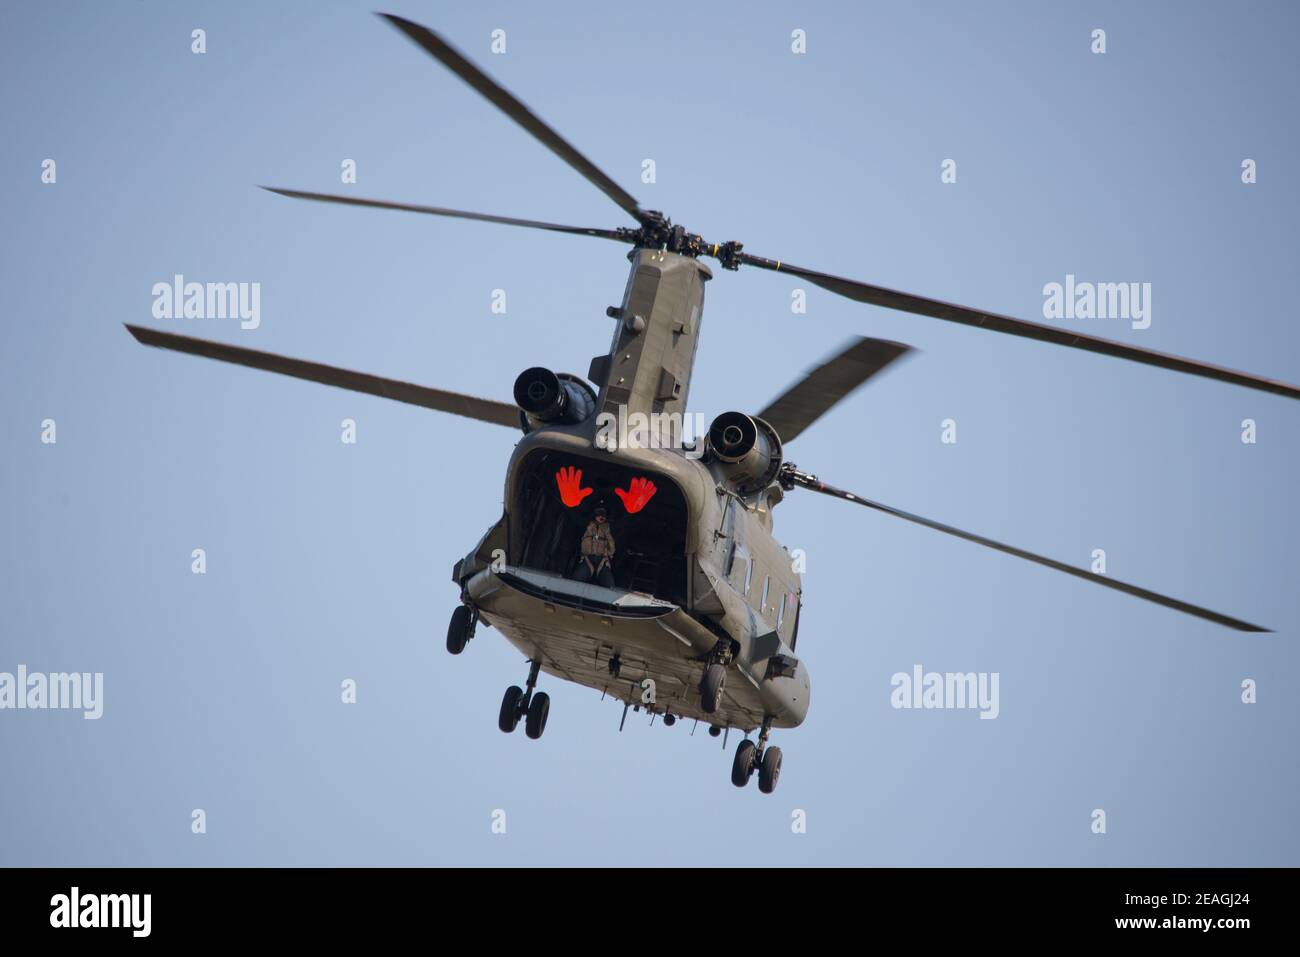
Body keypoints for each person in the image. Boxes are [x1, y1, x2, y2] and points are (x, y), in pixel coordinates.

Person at [574, 505, 616, 587]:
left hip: (602, 560)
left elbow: (612, 545)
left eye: (603, 515)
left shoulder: (609, 528)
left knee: (610, 585)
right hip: (587, 559)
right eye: (599, 514)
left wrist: (608, 554)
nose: (601, 517)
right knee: (576, 580)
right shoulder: (587, 525)